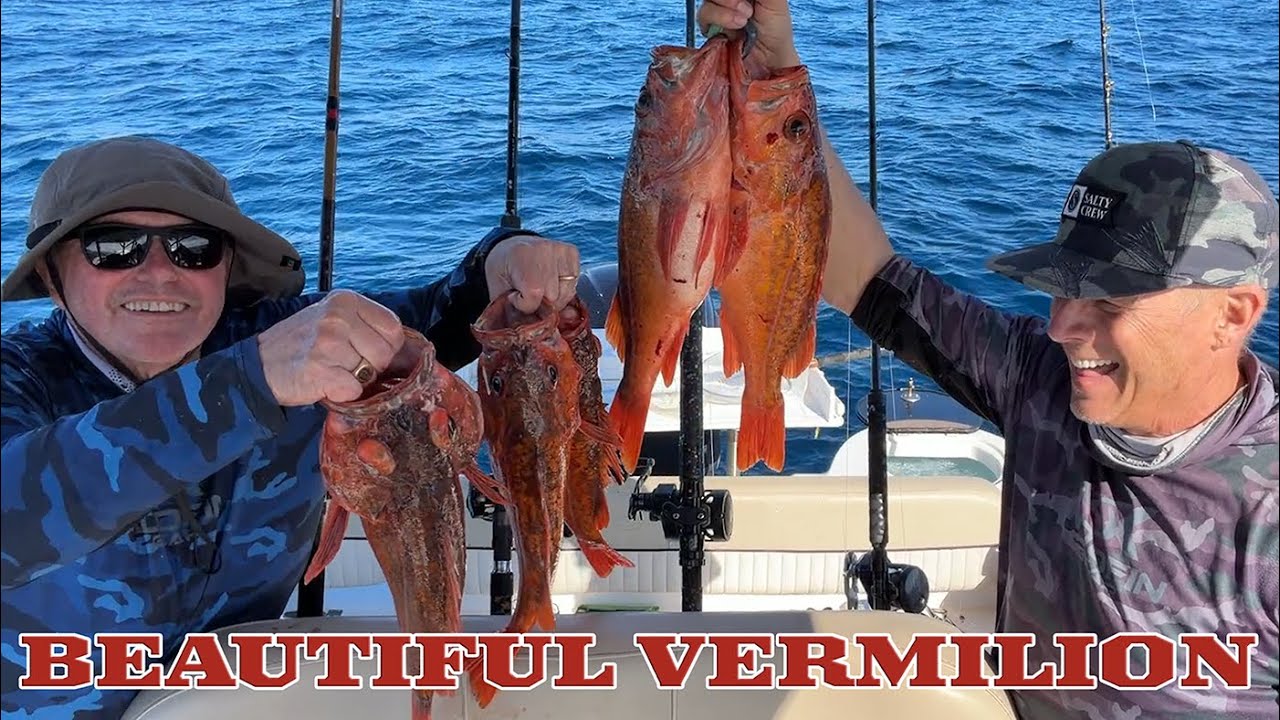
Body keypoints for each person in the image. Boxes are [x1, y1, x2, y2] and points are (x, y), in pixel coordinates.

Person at [700, 1, 1278, 718]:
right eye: (1060, 289)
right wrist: (775, 70)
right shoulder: (1037, 377)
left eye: (1109, 301)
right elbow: (868, 280)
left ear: (1233, 314)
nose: (1061, 326)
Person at [0, 135, 583, 719]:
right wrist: (250, 383)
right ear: (51, 273)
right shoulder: (18, 376)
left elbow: (444, 321)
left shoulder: (284, 336)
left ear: (227, 265)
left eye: (193, 247)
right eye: (113, 247)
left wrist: (505, 263)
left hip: (244, 702)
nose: (158, 273)